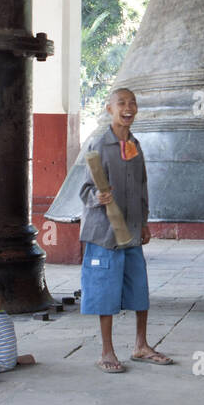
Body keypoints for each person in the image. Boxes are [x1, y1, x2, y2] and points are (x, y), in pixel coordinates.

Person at [79, 87, 174, 373]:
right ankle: (107, 351)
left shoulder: (134, 145)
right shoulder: (98, 145)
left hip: (131, 231)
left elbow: (142, 187)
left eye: (132, 103)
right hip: (104, 235)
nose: (128, 107)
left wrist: (144, 221)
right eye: (121, 103)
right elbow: (84, 191)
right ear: (110, 109)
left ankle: (141, 345)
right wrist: (98, 197)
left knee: (139, 289)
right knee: (105, 291)